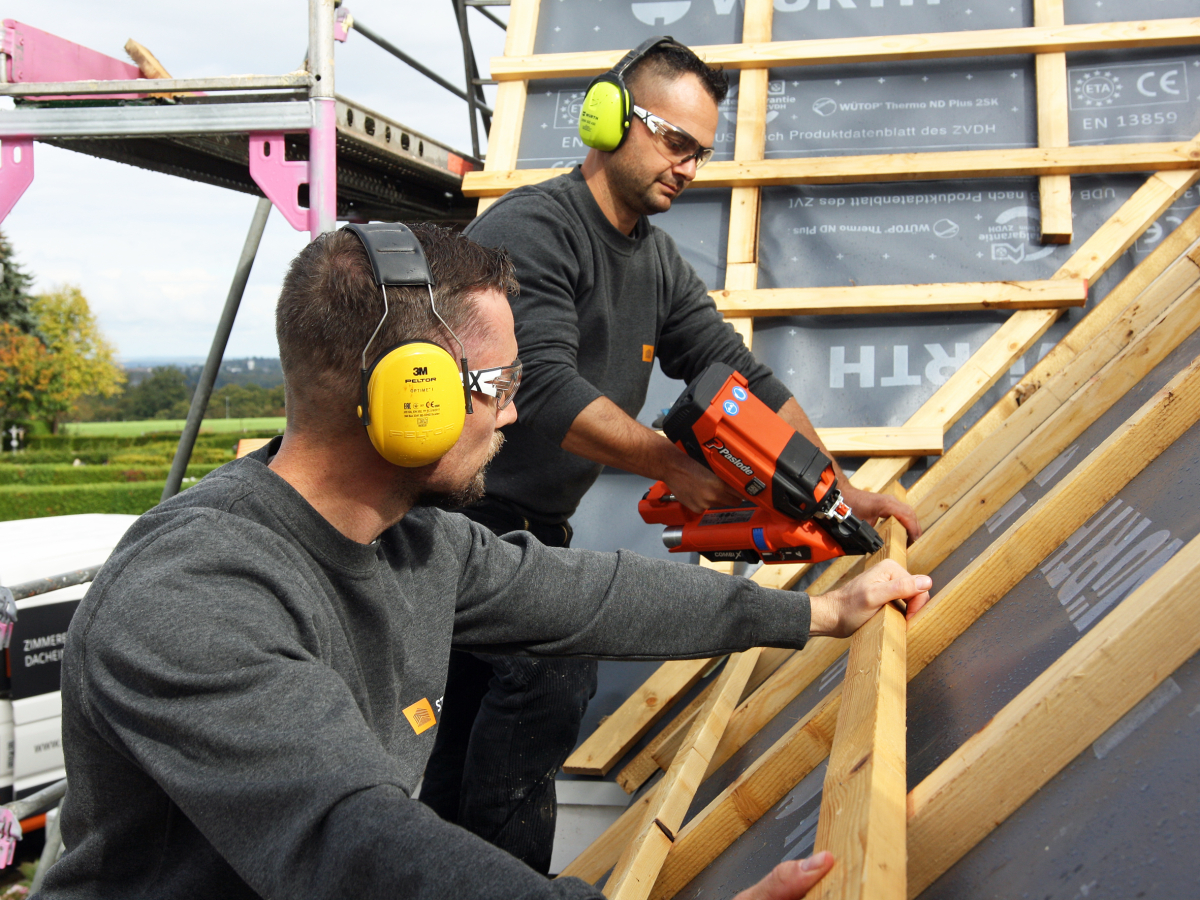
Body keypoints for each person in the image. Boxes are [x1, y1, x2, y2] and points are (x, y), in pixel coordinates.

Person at [42, 224, 931, 900]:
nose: (513, 415)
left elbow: (594, 597)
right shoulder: (191, 598)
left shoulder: (415, 542)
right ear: (408, 394)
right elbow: (353, 840)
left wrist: (818, 614)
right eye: (499, 387)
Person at [423, 37, 922, 870]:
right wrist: (675, 467)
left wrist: (836, 487)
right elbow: (542, 388)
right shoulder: (534, 232)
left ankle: (440, 878)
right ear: (610, 118)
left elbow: (740, 373)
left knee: (474, 717)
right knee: (553, 670)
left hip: (534, 522)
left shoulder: (655, 261)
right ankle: (505, 885)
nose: (689, 167)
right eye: (676, 142)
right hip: (460, 514)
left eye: (702, 152)